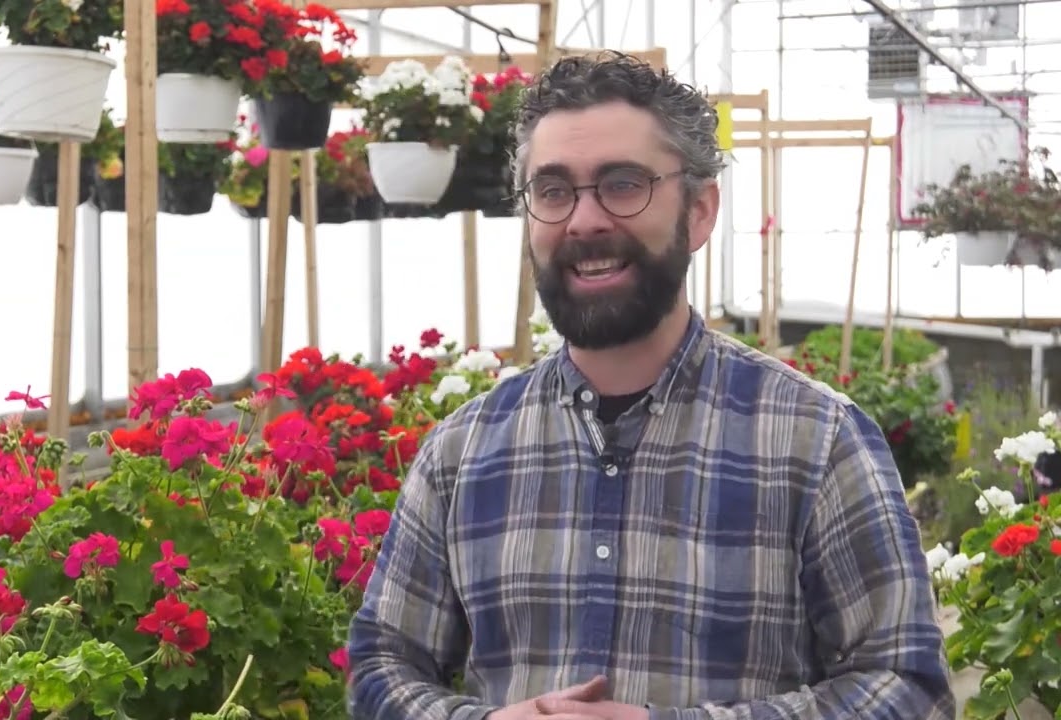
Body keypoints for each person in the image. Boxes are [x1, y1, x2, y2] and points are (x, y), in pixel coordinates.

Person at [347, 51, 955, 720]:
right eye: (553, 191)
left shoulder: (815, 443)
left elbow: (907, 686)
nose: (584, 221)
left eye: (623, 184)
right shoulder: (461, 453)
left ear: (700, 211)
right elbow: (382, 663)